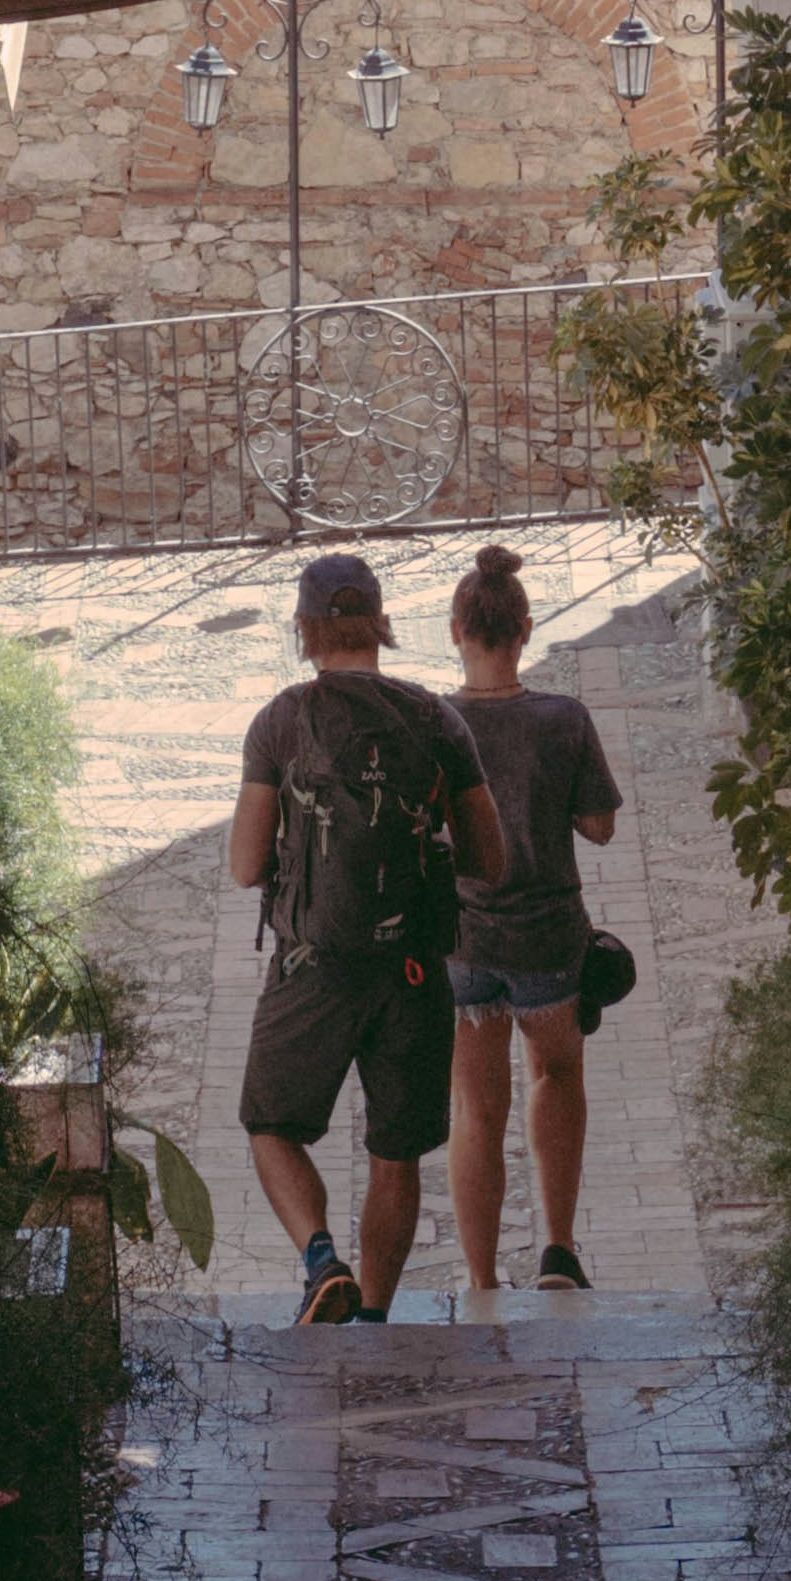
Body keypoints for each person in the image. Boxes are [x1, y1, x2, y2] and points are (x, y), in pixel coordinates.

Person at [229, 551, 504, 1325]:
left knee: (270, 1125)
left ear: (305, 631)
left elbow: (245, 864)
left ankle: (322, 1262)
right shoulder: (434, 719)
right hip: (411, 970)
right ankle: (376, 1320)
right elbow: (490, 858)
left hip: (311, 967)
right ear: (379, 624)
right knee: (396, 1153)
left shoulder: (281, 721)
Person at [438, 539, 624, 1307]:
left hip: (464, 938)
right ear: (526, 629)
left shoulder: (434, 721)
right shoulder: (562, 718)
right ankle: (558, 1248)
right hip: (549, 936)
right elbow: (599, 826)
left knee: (477, 1109)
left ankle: (481, 1277)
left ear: (456, 629)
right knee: (556, 1076)